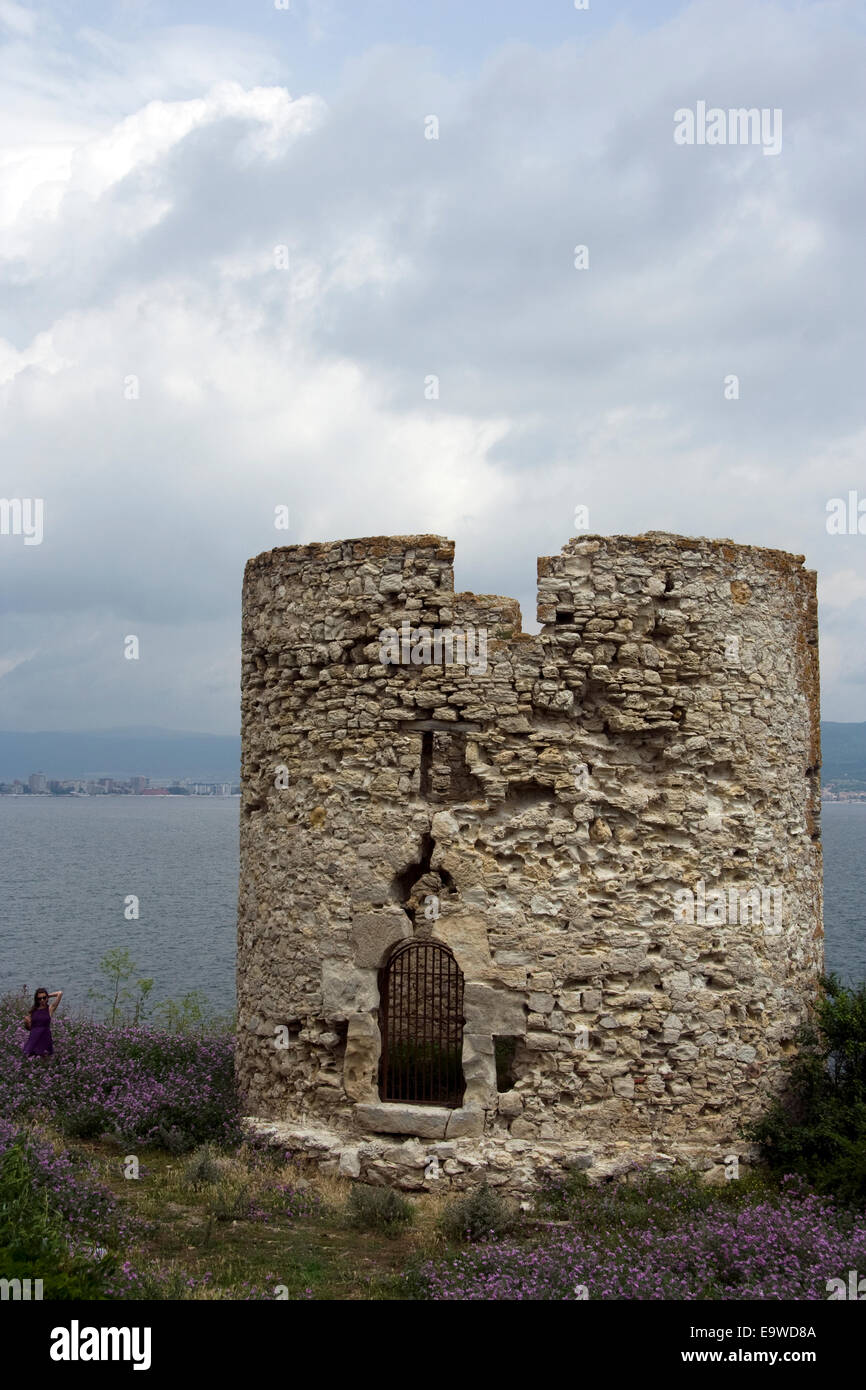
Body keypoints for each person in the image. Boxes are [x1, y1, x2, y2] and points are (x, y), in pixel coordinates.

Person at [23, 987, 62, 1057]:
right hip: (34, 1037)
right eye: (39, 998)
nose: (42, 1000)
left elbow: (59, 993)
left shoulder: (50, 1008)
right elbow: (29, 1028)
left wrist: (48, 996)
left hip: (45, 1036)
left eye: (44, 998)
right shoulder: (33, 1011)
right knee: (31, 1057)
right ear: (36, 1000)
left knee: (45, 1058)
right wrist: (26, 1022)